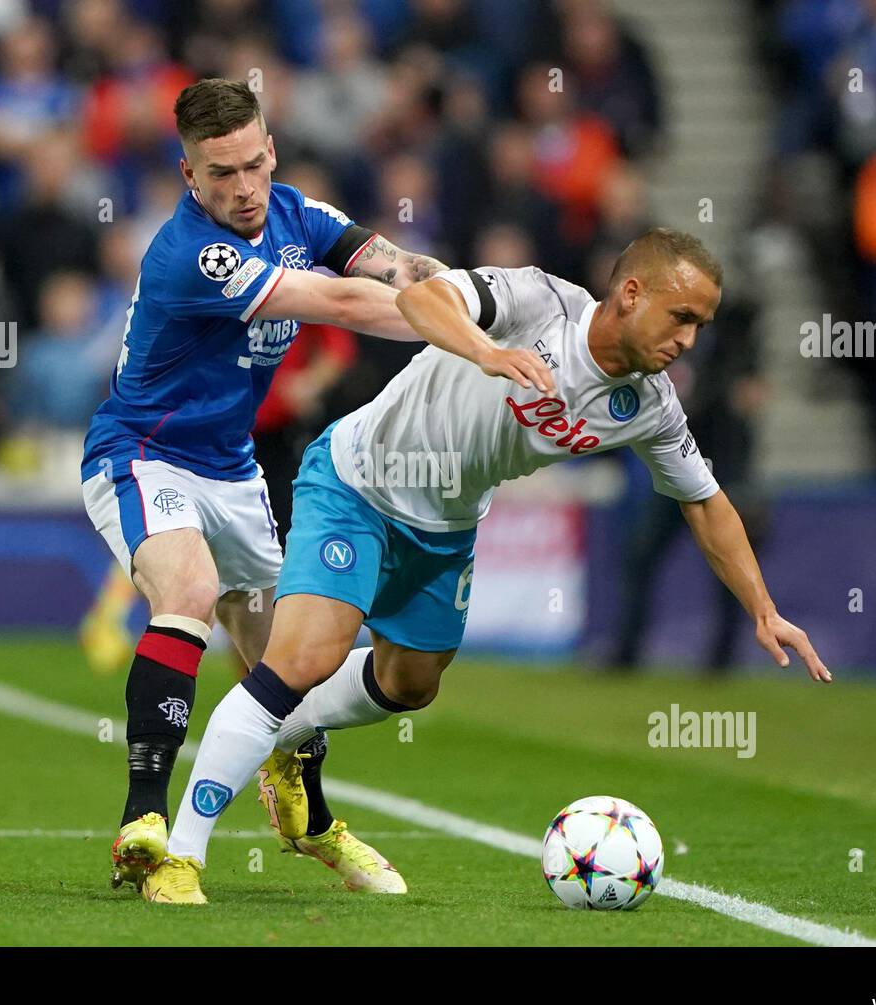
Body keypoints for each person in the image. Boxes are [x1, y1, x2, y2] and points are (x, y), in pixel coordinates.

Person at [145, 228, 832, 904]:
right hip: (358, 481)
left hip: (446, 522)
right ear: (630, 293)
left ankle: (284, 738)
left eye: (700, 326)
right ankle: (183, 854)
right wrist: (485, 351)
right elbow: (419, 297)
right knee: (303, 659)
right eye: (681, 317)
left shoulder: (648, 406)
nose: (687, 339)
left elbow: (706, 502)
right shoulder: (539, 302)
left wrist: (764, 610)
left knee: (411, 683)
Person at [79, 78, 541, 897]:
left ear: (272, 151)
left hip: (232, 467)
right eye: (222, 173)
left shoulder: (300, 213)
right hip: (143, 455)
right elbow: (336, 300)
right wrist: (471, 342)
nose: (245, 187)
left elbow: (398, 266)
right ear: (190, 177)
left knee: (283, 661)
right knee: (188, 587)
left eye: (254, 164)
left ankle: (308, 817)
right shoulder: (193, 252)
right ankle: (143, 822)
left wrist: (473, 295)